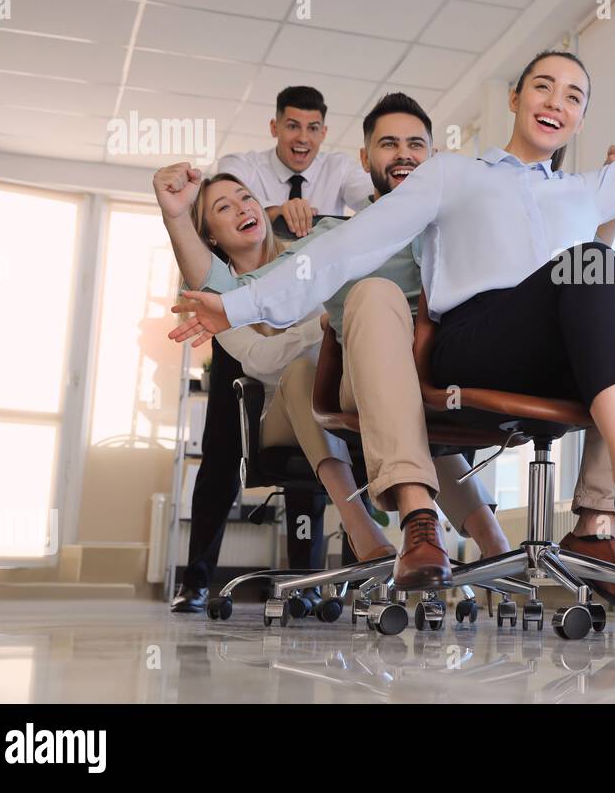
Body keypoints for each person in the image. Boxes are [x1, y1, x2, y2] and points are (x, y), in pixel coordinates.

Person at [171, 53, 615, 593]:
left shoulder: (584, 191)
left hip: (557, 350)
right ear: (515, 98)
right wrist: (237, 304)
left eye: (574, 95)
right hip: (470, 343)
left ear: (579, 118)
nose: (556, 101)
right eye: (543, 85)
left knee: (614, 315)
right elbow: (348, 247)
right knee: (594, 268)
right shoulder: (454, 174)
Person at [159, 95, 509, 591]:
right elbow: (256, 346)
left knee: (407, 401)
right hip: (290, 397)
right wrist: (334, 323)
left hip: (354, 382)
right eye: (224, 208)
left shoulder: (313, 249)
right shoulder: (265, 274)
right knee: (307, 369)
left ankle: (492, 546)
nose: (242, 208)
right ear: (209, 236)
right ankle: (364, 531)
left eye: (246, 199)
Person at [214, 85, 374, 238]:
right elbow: (224, 193)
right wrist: (274, 212)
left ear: (323, 133)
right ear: (274, 128)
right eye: (293, 126)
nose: (303, 138)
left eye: (312, 128)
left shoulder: (341, 168)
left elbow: (375, 199)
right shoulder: (242, 164)